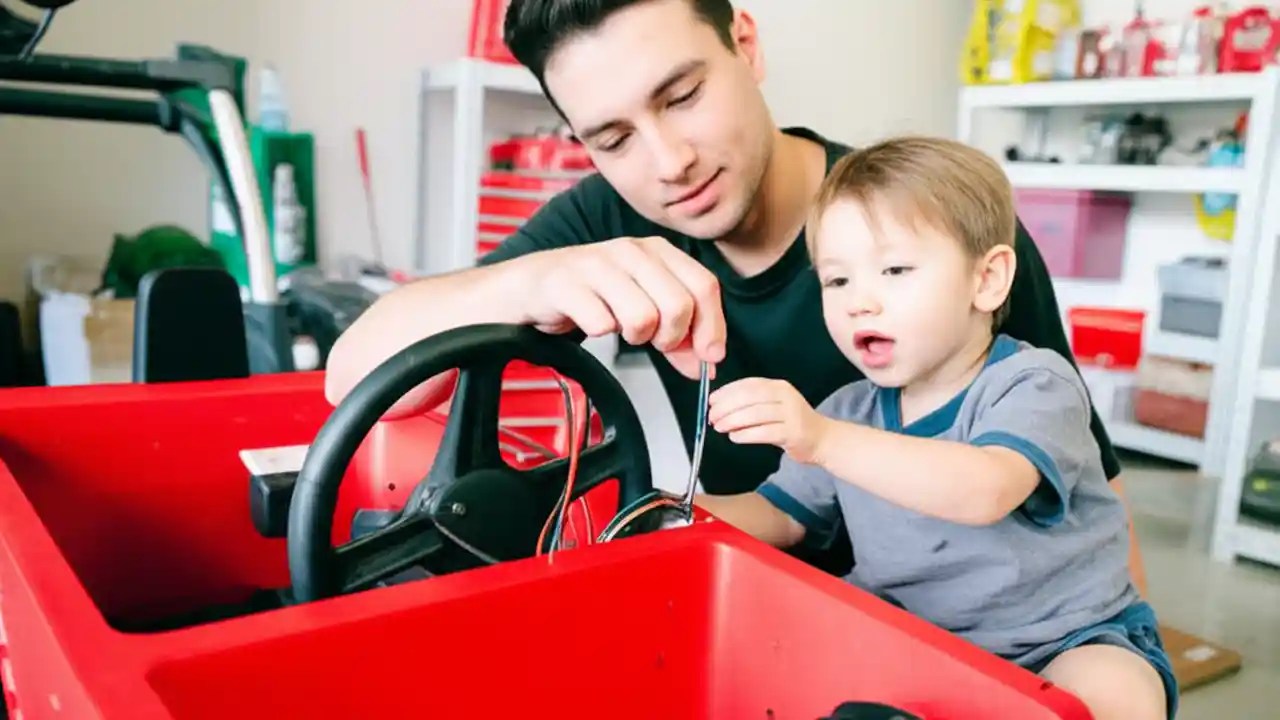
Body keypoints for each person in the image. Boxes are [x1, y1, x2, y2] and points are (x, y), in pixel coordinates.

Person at [324, 0, 1146, 585]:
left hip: (983, 612)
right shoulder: (611, 215)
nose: (668, 161)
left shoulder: (932, 236)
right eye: (612, 139)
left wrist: (1114, 651)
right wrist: (526, 280)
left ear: (745, 45)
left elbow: (1092, 486)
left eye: (682, 96)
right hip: (767, 592)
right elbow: (354, 381)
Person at [696, 135, 1177, 720]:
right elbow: (780, 516)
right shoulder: (848, 412)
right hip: (915, 645)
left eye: (895, 269)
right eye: (837, 280)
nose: (858, 303)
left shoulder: (1031, 384)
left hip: (1065, 638)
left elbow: (983, 489)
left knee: (1117, 695)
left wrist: (820, 441)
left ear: (988, 280)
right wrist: (673, 512)